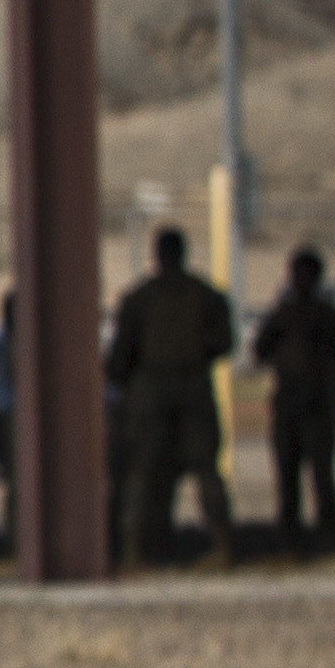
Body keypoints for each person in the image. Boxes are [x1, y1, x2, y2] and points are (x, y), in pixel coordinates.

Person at [103, 223, 237, 569]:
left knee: (143, 472)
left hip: (153, 390)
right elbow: (225, 342)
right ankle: (222, 546)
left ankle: (132, 551)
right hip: (193, 386)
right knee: (206, 468)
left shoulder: (140, 299)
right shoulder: (205, 295)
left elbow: (119, 357)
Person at [251, 243, 335, 554]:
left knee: (321, 476)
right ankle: (290, 540)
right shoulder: (282, 316)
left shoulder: (328, 319)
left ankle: (329, 538)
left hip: (317, 404)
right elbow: (259, 352)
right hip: (289, 403)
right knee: (288, 477)